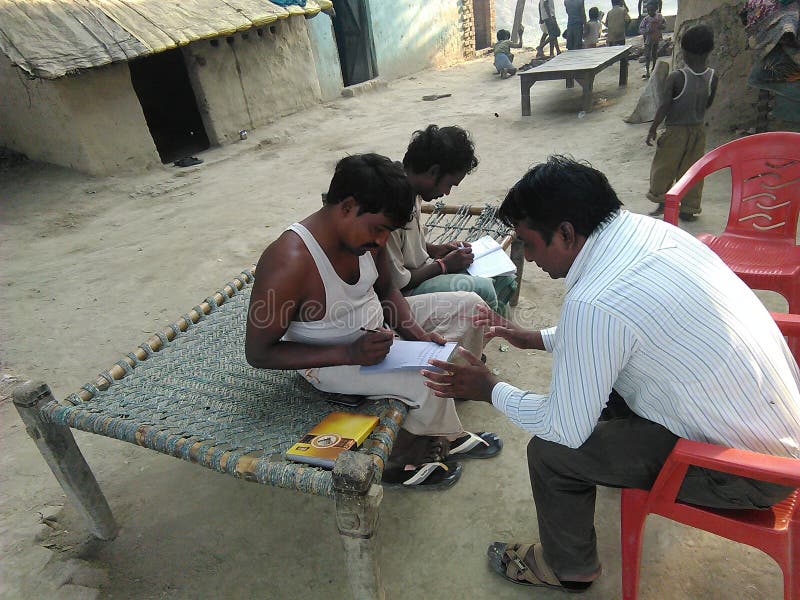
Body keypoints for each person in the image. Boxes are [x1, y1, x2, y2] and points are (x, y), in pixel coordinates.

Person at [421, 155, 800, 592]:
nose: (527, 256)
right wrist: (534, 338)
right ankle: (615, 472)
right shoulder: (646, 232)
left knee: (552, 453)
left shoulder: (595, 299)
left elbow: (564, 426)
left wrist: (491, 390)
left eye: (529, 243)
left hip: (749, 472)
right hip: (773, 421)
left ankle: (568, 567)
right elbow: (621, 327)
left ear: (565, 232)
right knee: (601, 391)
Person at [245, 154, 502, 489]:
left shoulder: (366, 238)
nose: (382, 242)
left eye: (388, 232)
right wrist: (349, 353)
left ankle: (440, 409)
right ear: (348, 206)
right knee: (429, 373)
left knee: (471, 308)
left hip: (376, 333)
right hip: (327, 358)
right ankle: (408, 452)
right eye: (378, 229)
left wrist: (418, 333)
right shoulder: (289, 261)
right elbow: (259, 353)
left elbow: (385, 289)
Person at [385, 125, 517, 316]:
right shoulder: (390, 206)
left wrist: (435, 249)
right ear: (433, 171)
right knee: (484, 290)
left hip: (424, 269)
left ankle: (482, 330)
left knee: (505, 278)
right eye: (449, 185)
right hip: (405, 293)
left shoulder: (415, 191)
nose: (447, 193)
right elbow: (397, 282)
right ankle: (471, 333)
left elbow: (407, 244)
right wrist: (444, 265)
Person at [646, 25, 718, 221]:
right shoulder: (712, 76)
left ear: (684, 52)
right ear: (709, 51)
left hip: (675, 131)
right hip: (697, 131)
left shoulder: (676, 77)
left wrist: (652, 129)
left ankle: (663, 200)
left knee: (664, 167)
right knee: (692, 171)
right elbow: (708, 103)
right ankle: (689, 208)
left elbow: (664, 107)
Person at [638, 1, 666, 78]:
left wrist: (661, 26)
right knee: (647, 55)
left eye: (652, 10)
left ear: (655, 9)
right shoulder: (646, 19)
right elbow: (640, 29)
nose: (650, 12)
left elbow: (664, 25)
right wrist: (647, 31)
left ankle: (653, 68)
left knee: (654, 54)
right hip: (648, 39)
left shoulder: (659, 17)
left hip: (656, 39)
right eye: (649, 10)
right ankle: (647, 70)